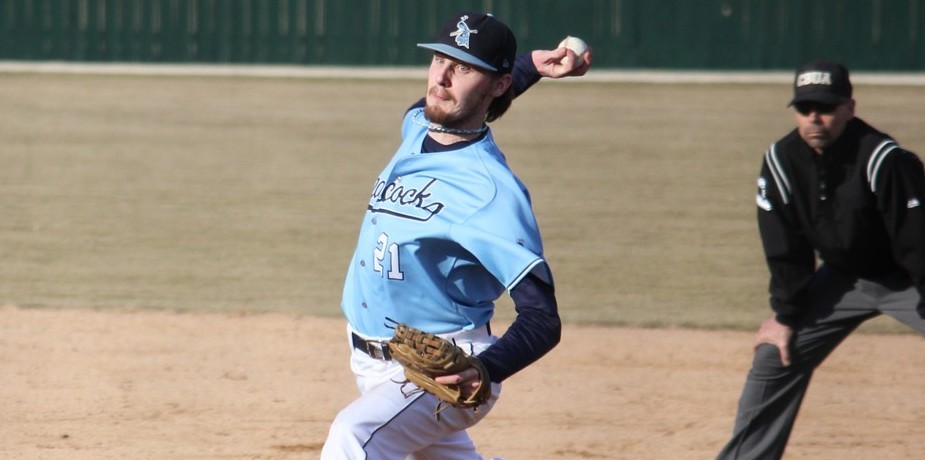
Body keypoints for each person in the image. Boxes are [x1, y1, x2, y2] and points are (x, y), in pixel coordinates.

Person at [320, 11, 592, 460]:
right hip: (371, 360)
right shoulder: (417, 128)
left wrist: (485, 370)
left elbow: (543, 319)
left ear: (496, 85)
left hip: (446, 368)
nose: (442, 77)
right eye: (440, 59)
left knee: (353, 436)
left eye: (463, 67)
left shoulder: (492, 193)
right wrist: (530, 67)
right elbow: (460, 104)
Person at [717, 60, 925, 459]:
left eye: (826, 107)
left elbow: (917, 243)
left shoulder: (883, 159)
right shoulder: (781, 161)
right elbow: (784, 249)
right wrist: (786, 315)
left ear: (850, 107)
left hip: (910, 278)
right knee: (774, 355)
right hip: (843, 280)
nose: (815, 117)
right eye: (805, 107)